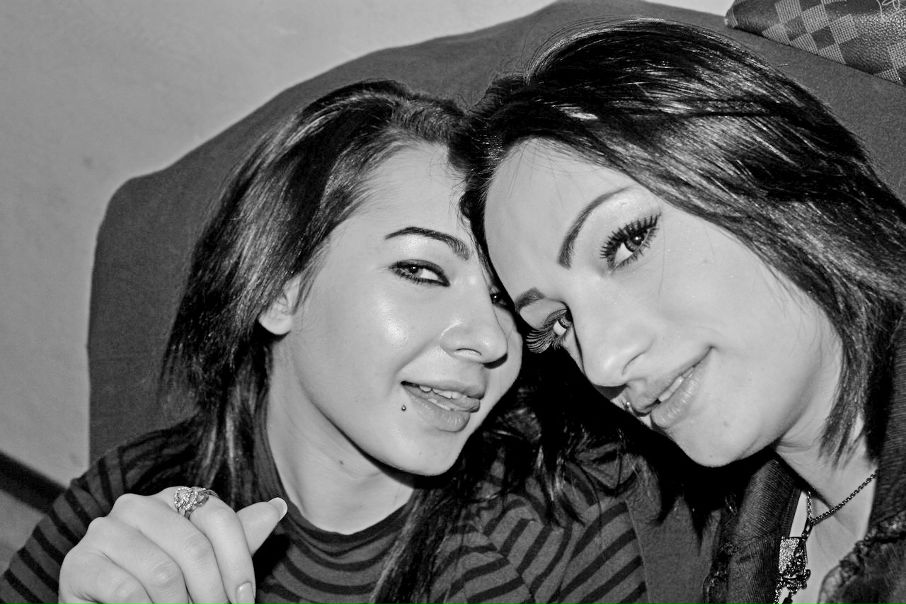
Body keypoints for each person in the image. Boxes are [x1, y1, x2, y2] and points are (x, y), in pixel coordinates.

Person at [0, 80, 682, 604]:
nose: (489, 340)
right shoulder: (132, 500)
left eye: (504, 299)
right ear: (278, 287)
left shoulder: (557, 544)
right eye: (421, 271)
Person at [459, 18, 906, 604]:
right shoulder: (759, 537)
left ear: (761, 161)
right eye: (557, 322)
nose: (603, 362)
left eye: (626, 244)